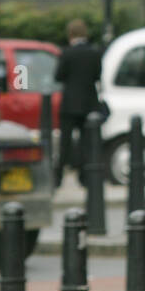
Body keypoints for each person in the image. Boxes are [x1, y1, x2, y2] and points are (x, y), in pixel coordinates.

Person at [54, 18, 102, 187]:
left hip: (69, 103)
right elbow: (97, 75)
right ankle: (84, 177)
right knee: (86, 142)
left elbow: (58, 76)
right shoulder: (94, 52)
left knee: (65, 142)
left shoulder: (67, 53)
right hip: (88, 102)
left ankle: (58, 176)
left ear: (70, 34)